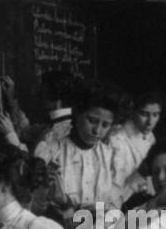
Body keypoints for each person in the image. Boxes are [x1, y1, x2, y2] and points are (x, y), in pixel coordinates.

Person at [34, 81, 136, 220]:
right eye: (92, 120)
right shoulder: (53, 150)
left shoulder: (111, 155)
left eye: (105, 125)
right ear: (78, 114)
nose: (97, 130)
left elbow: (114, 204)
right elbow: (36, 203)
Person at [112, 91, 165, 194]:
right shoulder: (117, 139)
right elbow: (116, 185)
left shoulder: (150, 136)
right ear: (133, 112)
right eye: (144, 114)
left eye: (155, 115)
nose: (150, 122)